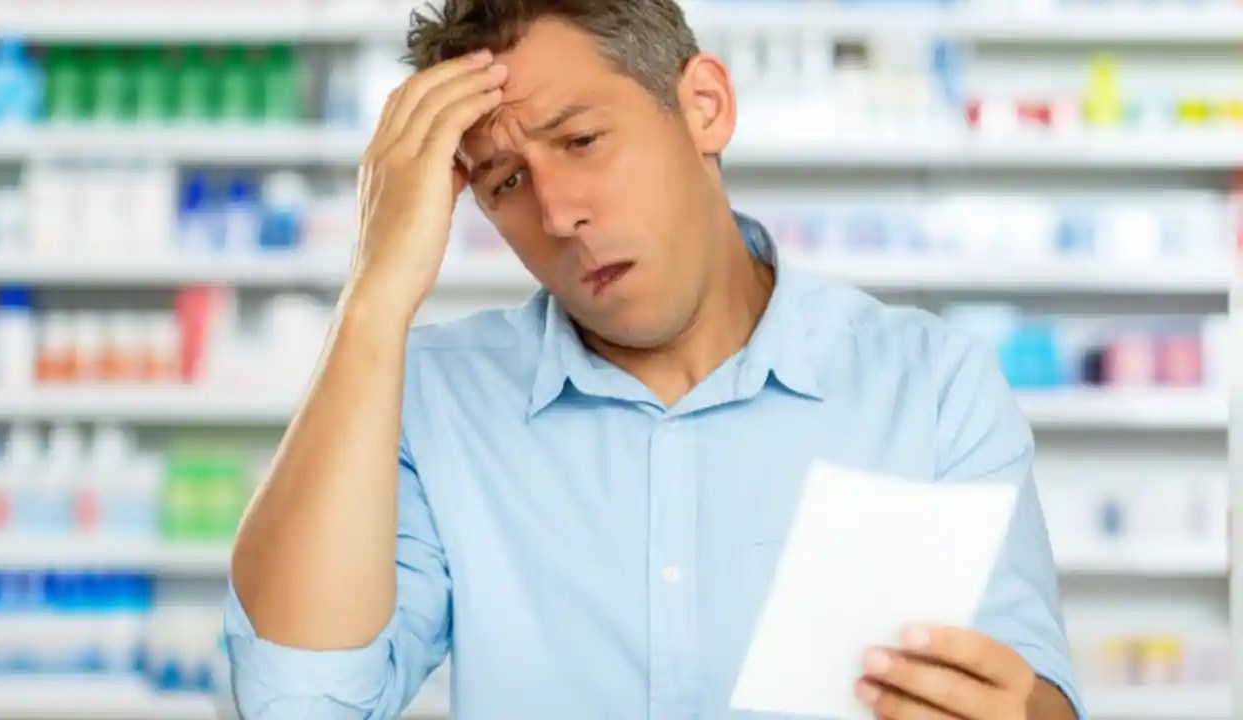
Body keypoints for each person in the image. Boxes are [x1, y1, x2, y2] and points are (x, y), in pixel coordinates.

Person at [225, 2, 1084, 718]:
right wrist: (374, 297)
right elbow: (297, 700)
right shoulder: (433, 400)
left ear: (705, 105)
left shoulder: (929, 387)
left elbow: (1033, 688)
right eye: (505, 184)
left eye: (582, 140)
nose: (559, 213)